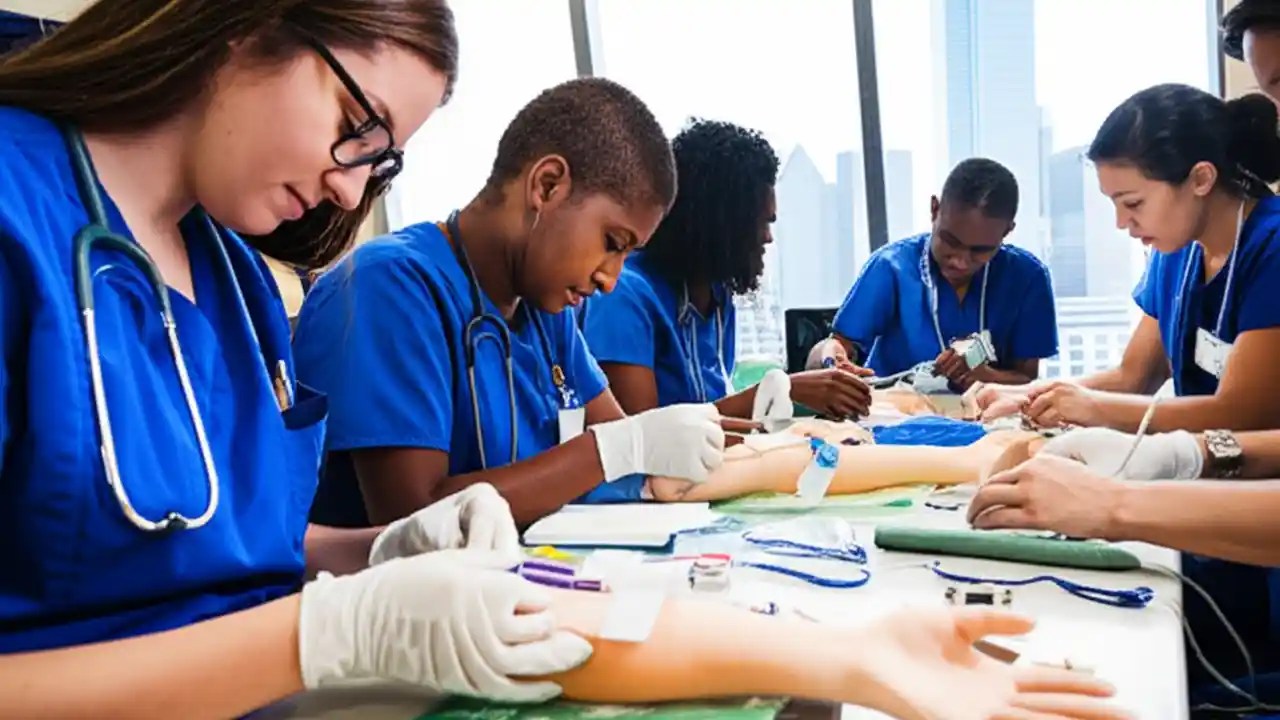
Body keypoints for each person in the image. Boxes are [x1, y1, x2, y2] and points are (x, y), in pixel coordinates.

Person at [0, 0, 621, 715]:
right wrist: (323, 634)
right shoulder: (20, 218)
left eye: (381, 161)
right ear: (245, 24)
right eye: (356, 127)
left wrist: (384, 552)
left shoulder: (237, 279)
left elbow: (236, 546)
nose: (351, 189)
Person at [293, 78, 729, 529]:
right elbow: (410, 521)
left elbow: (635, 448)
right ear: (547, 184)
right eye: (611, 243)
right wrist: (610, 451)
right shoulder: (390, 285)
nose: (610, 280)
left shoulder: (545, 312)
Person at [975, 85, 1280, 434]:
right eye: (1114, 204)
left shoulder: (1271, 247)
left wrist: (1091, 407)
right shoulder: (1176, 250)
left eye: (1133, 203)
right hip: (1205, 463)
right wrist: (1031, 395)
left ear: (1201, 179)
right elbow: (1135, 376)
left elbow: (1241, 415)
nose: (1122, 222)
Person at [579, 119, 872, 421]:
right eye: (761, 222)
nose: (767, 237)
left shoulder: (716, 293)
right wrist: (783, 390)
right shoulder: (625, 297)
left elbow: (714, 408)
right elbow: (643, 436)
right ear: (721, 222)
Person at [812, 158, 1057, 394]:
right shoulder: (892, 267)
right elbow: (837, 346)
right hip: (890, 418)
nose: (960, 261)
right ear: (934, 210)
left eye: (980, 251)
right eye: (950, 241)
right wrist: (832, 357)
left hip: (987, 420)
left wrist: (983, 375)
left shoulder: (1028, 278)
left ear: (1007, 231)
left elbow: (1027, 377)